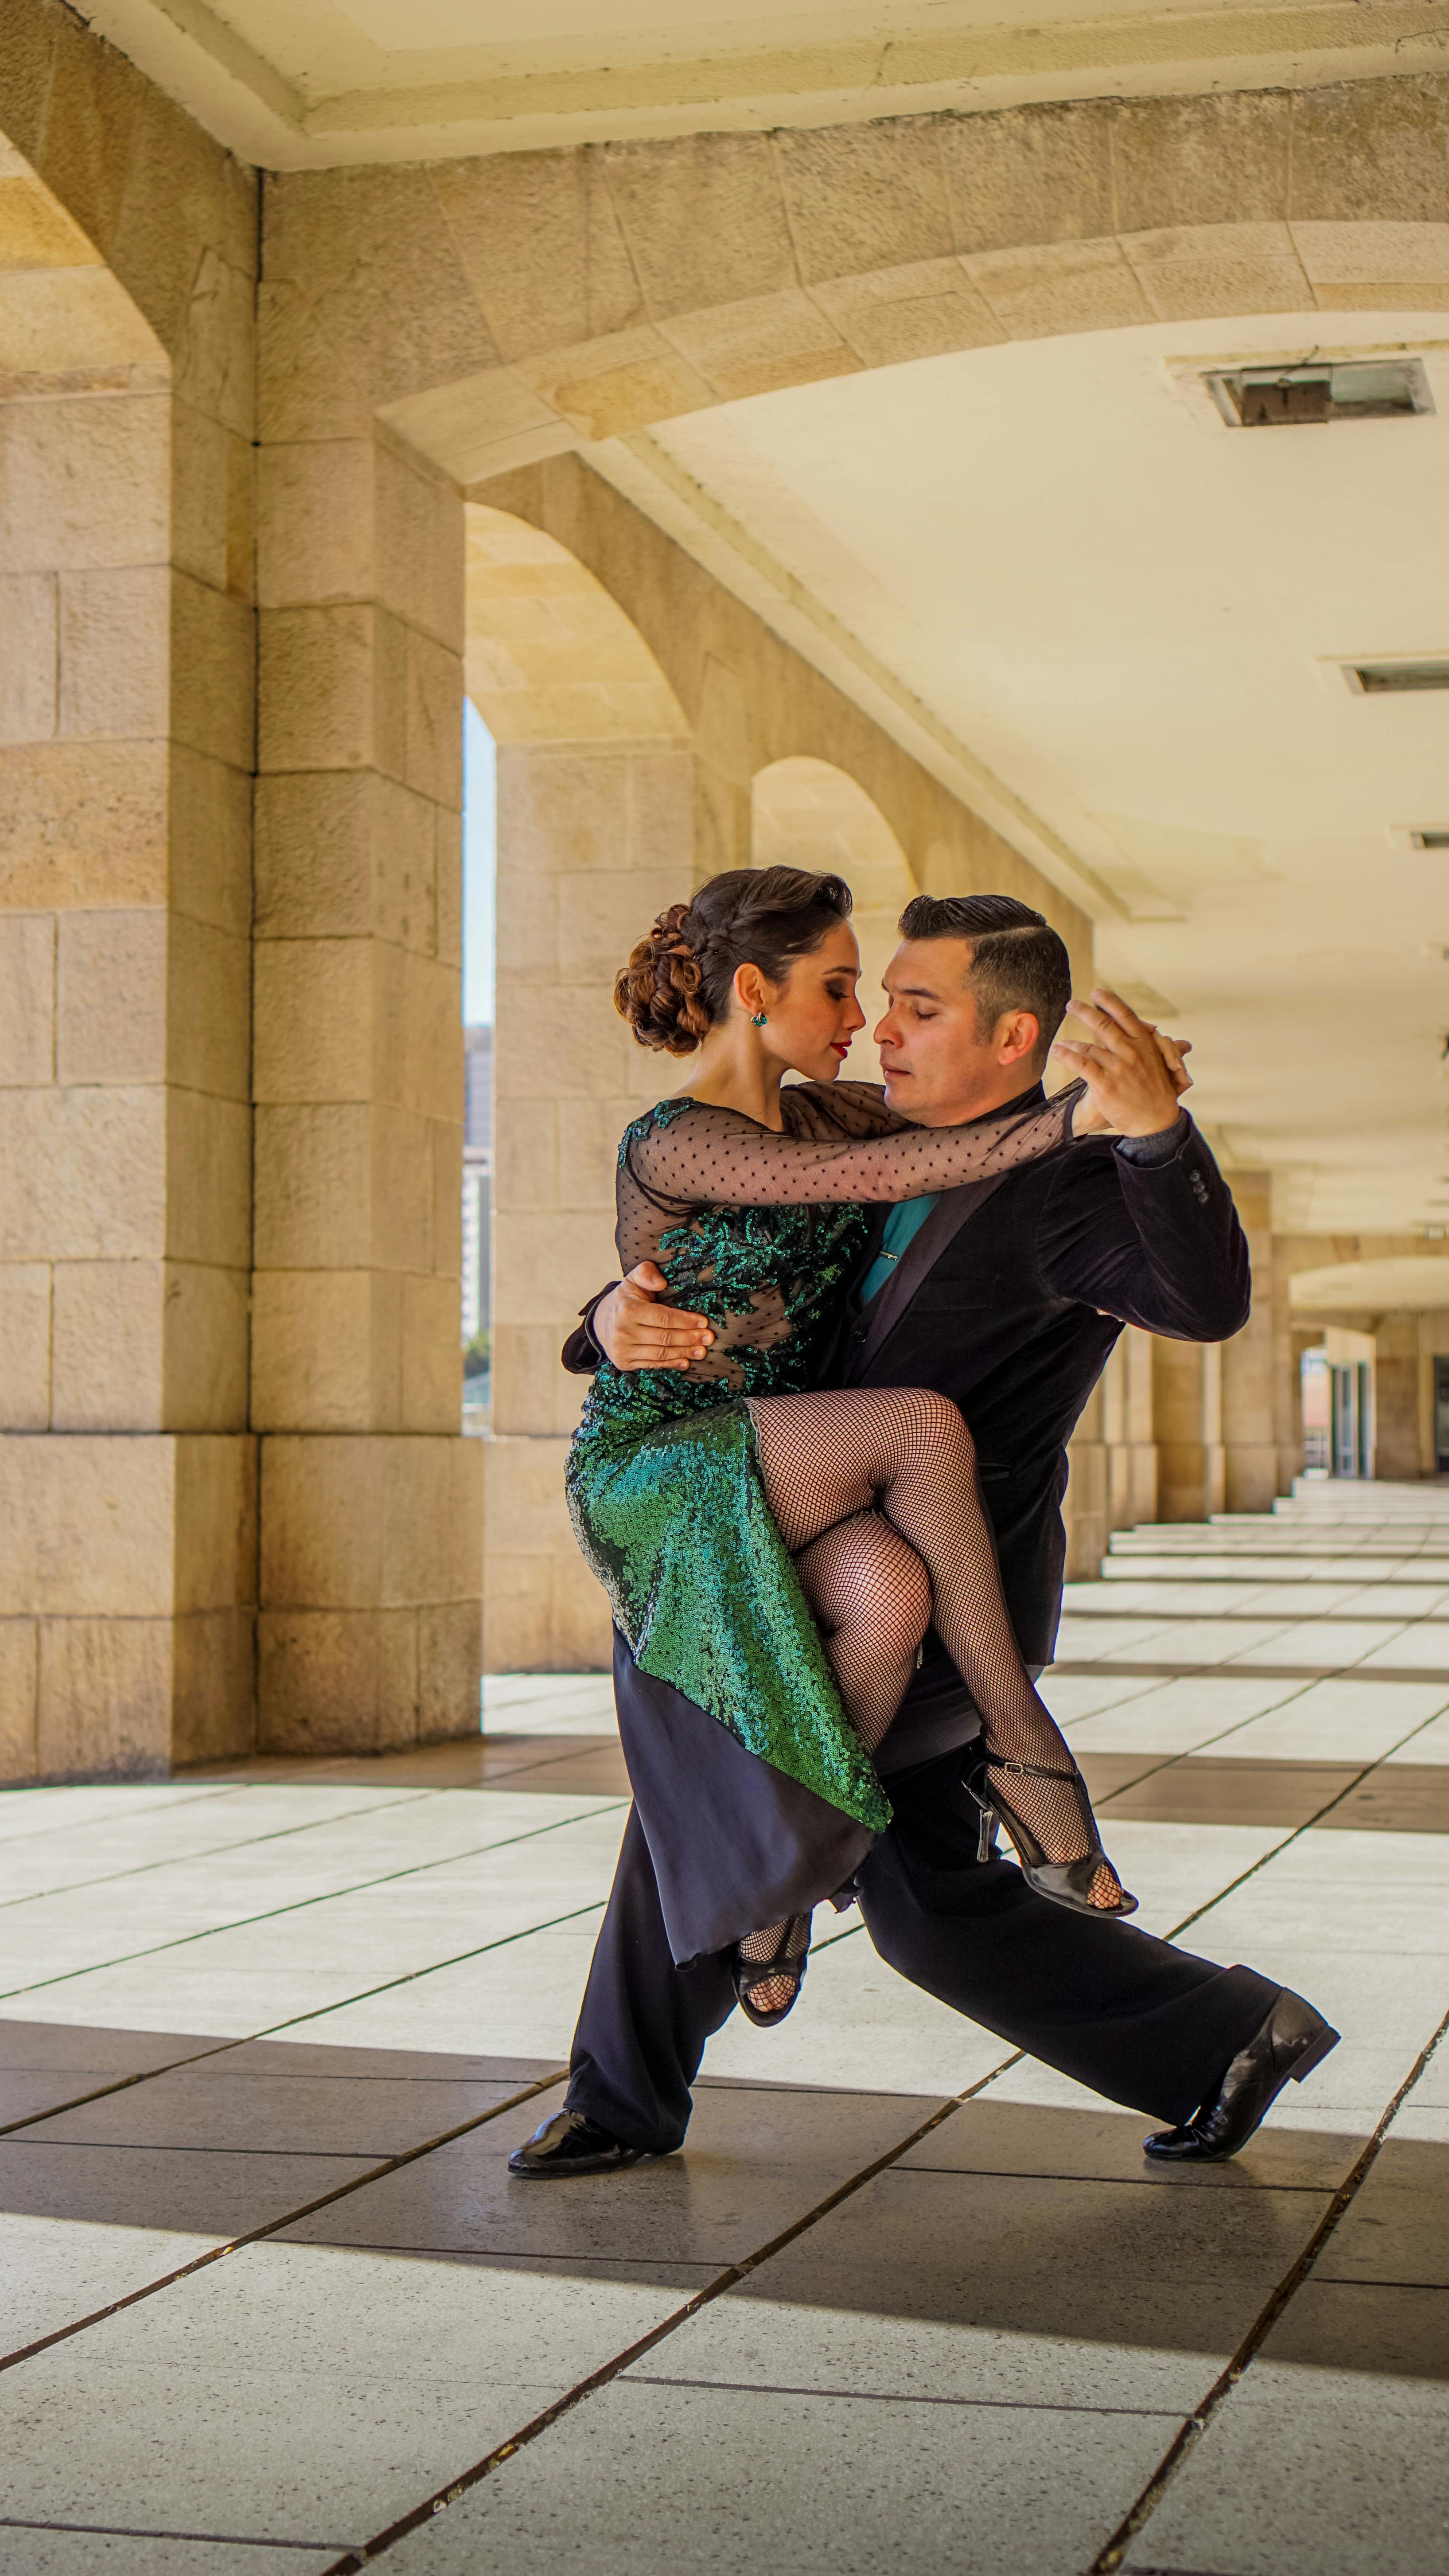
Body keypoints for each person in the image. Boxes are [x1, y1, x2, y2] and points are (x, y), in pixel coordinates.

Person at [510, 889, 1337, 2180]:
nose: (881, 1027)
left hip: (948, 1590)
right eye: (873, 995)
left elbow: (1207, 1295)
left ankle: (623, 2094)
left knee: (724, 1772)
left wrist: (1158, 1135)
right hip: (793, 1526)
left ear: (1016, 1040)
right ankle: (1229, 2037)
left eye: (918, 1005)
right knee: (921, 1904)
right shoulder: (849, 1124)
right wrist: (608, 1316)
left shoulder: (1065, 1187)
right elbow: (718, 1248)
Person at [566, 866, 1136, 2032]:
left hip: (781, 1464)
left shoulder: (826, 1108)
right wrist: (1091, 1105)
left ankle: (781, 1889)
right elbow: (882, 1173)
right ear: (753, 993)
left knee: (890, 1589)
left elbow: (964, 1125)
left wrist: (1127, 1103)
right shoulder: (677, 1140)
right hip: (664, 1463)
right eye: (835, 989)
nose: (861, 1021)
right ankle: (1022, 1739)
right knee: (924, 1424)